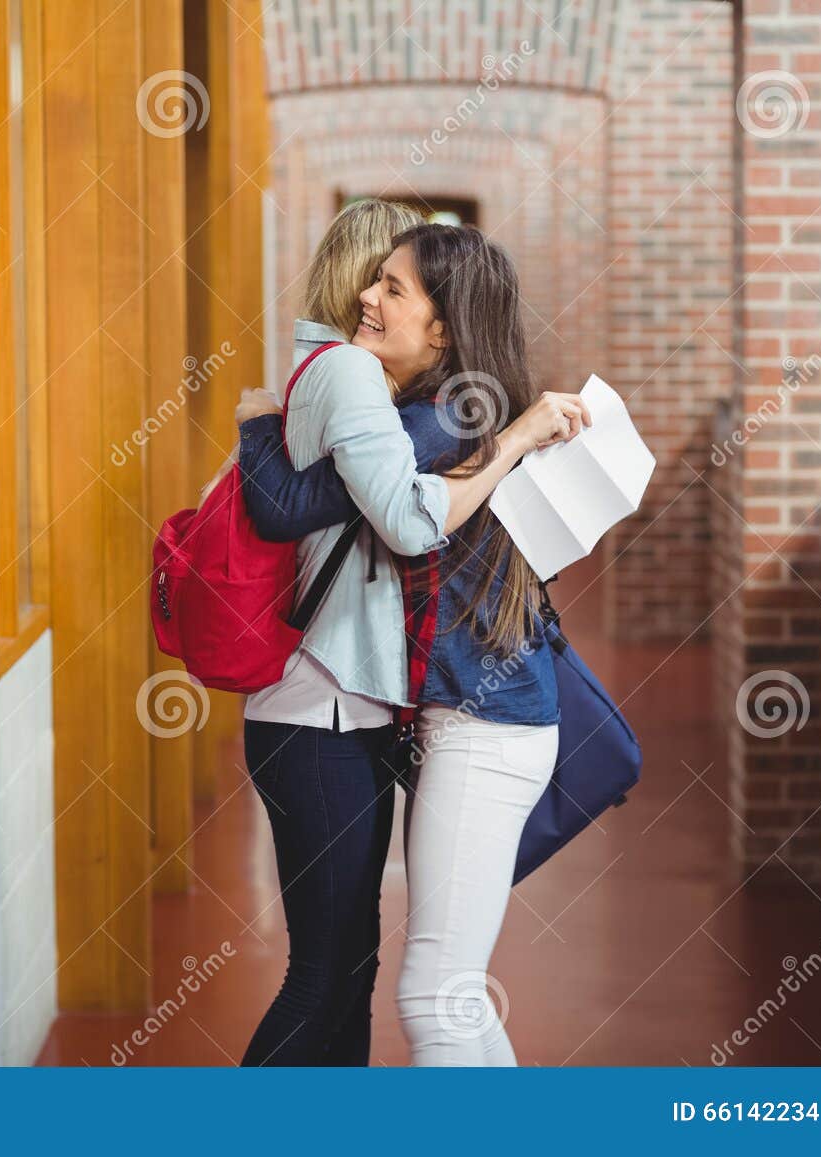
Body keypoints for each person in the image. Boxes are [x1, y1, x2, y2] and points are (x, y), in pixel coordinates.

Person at [230, 203, 586, 1066]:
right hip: (409, 716)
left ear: (444, 330)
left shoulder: (449, 418)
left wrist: (260, 429)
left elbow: (326, 509)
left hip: (471, 721)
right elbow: (326, 506)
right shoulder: (433, 407)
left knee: (416, 991)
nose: (369, 297)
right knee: (372, 979)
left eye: (393, 287)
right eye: (374, 279)